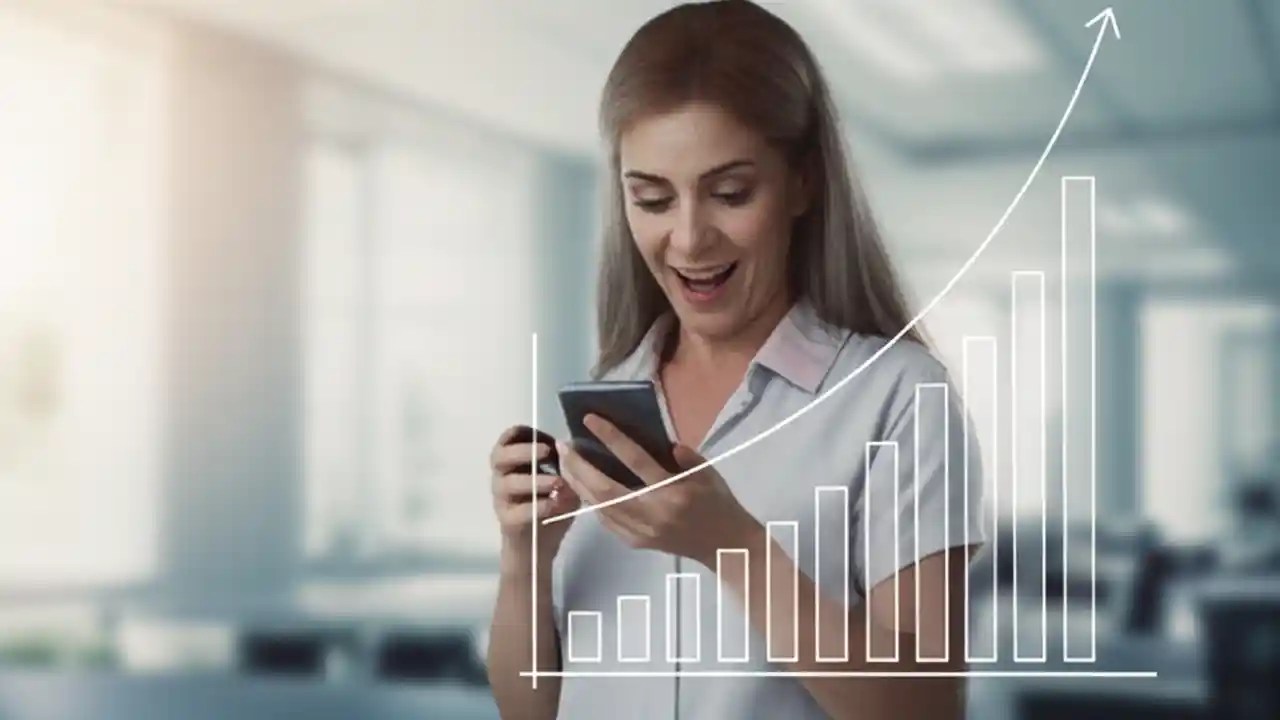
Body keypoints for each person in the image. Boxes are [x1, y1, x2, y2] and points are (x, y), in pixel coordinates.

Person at [487, 2, 984, 718]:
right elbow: (529, 711)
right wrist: (523, 563)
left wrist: (734, 546)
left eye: (729, 193)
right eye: (652, 198)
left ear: (804, 183)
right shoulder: (609, 405)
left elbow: (928, 710)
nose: (688, 239)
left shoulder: (900, 398)